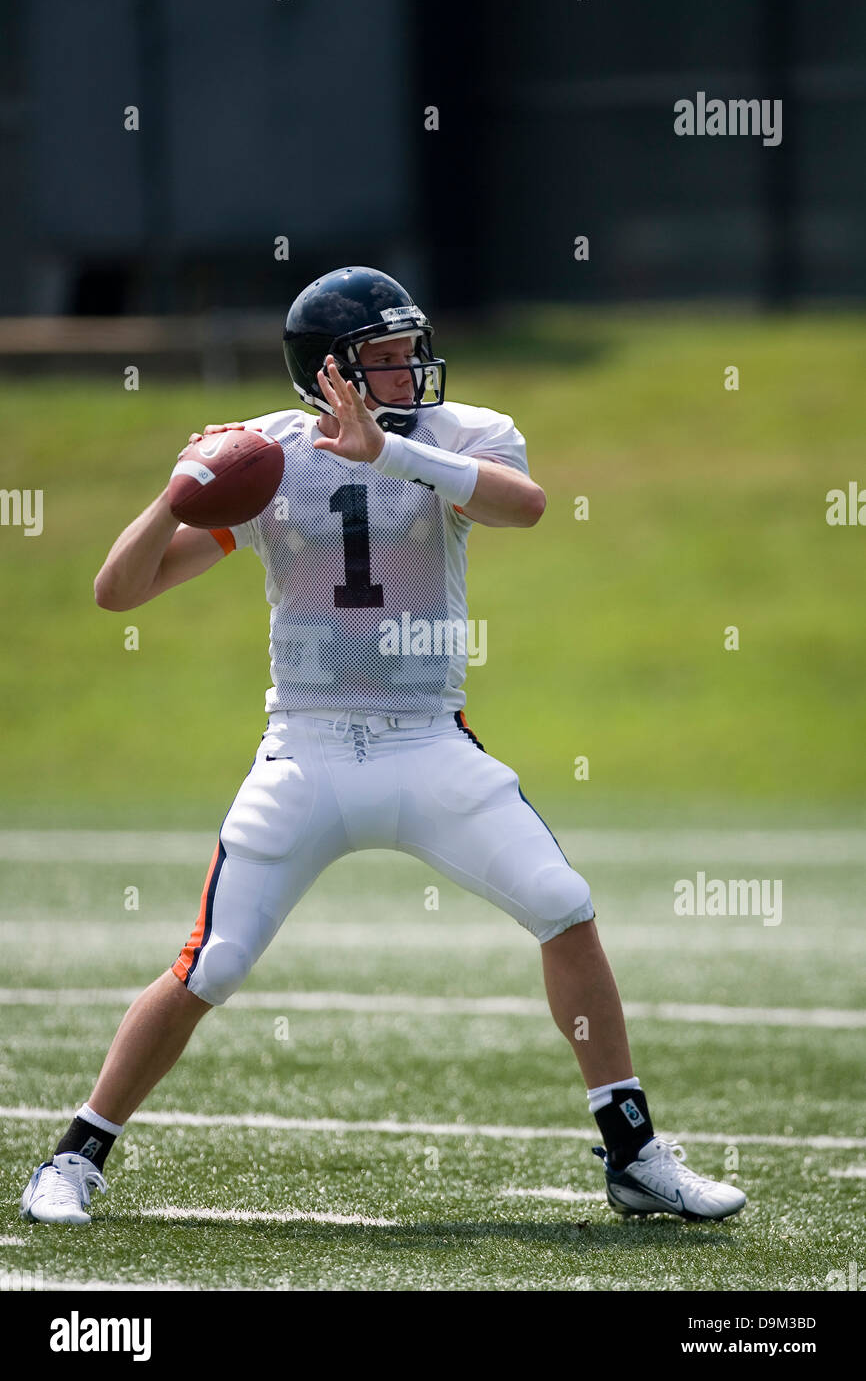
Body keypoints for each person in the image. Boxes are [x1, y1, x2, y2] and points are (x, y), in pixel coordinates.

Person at [20, 266, 745, 1227]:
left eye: (411, 351)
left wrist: (390, 457)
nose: (411, 371)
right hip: (306, 746)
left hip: (425, 741)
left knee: (563, 906)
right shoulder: (269, 455)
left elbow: (523, 505)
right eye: (387, 358)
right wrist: (175, 494)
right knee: (213, 963)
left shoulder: (459, 436)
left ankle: (634, 1154)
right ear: (331, 373)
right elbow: (121, 592)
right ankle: (73, 1158)